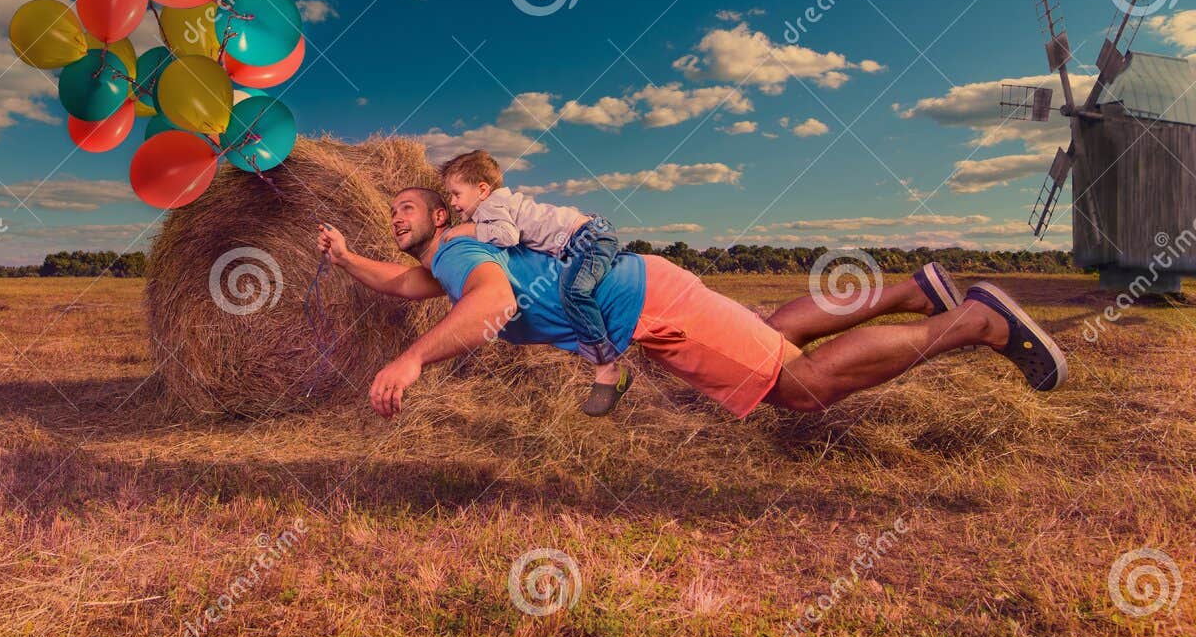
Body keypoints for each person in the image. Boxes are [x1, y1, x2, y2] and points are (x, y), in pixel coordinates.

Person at [316, 188, 1067, 421]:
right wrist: (349, 257)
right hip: (647, 287)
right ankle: (912, 290)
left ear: (441, 220)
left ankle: (974, 320)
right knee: (768, 334)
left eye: (408, 206)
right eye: (391, 212)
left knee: (798, 387)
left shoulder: (459, 254)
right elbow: (400, 282)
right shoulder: (441, 264)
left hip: (644, 305)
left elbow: (490, 304)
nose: (396, 216)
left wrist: (411, 356)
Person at [438, 149, 628, 417]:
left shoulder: (491, 206)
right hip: (582, 237)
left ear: (482, 190)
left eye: (456, 194)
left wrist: (466, 229)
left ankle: (608, 371)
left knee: (574, 292)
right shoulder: (495, 206)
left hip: (590, 237)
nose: (453, 202)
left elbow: (507, 236)